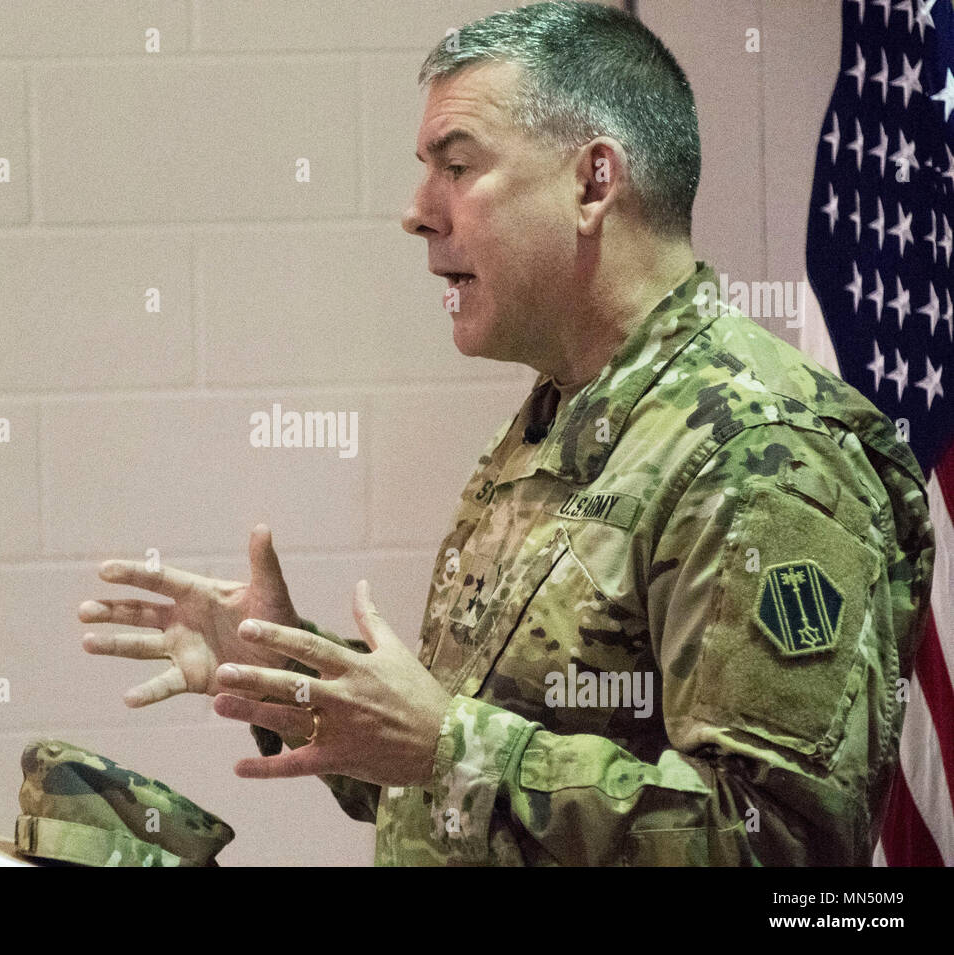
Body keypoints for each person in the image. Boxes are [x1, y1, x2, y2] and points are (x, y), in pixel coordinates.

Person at [78, 2, 935, 865]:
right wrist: (291, 678)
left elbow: (786, 855)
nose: (416, 212)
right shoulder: (555, 421)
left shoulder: (763, 453)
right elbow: (455, 790)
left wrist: (453, 747)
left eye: (456, 166)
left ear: (594, 183)